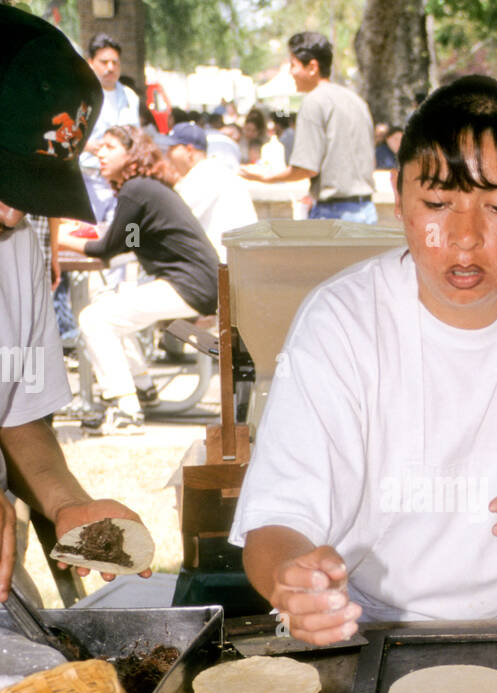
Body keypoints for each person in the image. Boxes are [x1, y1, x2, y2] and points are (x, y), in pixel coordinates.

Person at [230, 76, 497, 645]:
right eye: (436, 204)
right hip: (373, 630)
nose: (465, 238)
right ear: (400, 199)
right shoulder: (342, 321)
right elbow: (276, 518)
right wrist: (292, 582)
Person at [0, 3, 152, 604]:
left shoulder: (15, 245)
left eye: (28, 191)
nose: (13, 213)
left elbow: (19, 412)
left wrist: (66, 503)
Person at [57, 126, 219, 433]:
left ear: (131, 155)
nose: (99, 153)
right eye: (99, 147)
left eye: (109, 147)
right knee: (110, 303)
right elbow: (129, 239)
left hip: (190, 285)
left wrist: (61, 238)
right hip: (197, 282)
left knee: (94, 318)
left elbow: (107, 248)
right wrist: (86, 234)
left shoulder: (136, 189)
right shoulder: (143, 187)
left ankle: (125, 409)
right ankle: (144, 388)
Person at [241, 32, 376, 224]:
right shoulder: (357, 101)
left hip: (334, 214)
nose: (291, 73)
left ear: (312, 67)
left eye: (293, 65)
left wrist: (265, 176)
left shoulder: (313, 102)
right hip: (367, 210)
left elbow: (306, 168)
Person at [165, 122, 257, 261]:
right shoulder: (212, 170)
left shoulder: (204, 174)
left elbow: (170, 223)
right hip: (233, 263)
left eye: (172, 148)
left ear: (189, 151)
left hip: (226, 268)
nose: (167, 154)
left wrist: (135, 238)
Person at [79, 33, 140, 221]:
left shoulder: (130, 97)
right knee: (92, 235)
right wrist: (85, 144)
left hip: (123, 181)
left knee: (131, 235)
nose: (110, 68)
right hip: (89, 180)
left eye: (115, 63)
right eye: (104, 62)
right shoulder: (80, 95)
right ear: (91, 62)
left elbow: (137, 138)